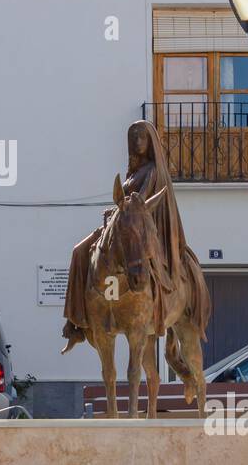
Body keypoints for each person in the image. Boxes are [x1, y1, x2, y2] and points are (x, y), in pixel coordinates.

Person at [61, 119, 195, 352]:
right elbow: (124, 204)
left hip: (140, 230)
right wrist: (114, 212)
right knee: (79, 251)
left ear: (150, 141)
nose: (137, 141)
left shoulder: (152, 171)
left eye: (142, 137)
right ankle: (76, 322)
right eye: (133, 138)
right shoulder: (133, 173)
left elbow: (138, 204)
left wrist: (121, 211)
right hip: (120, 227)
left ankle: (154, 310)